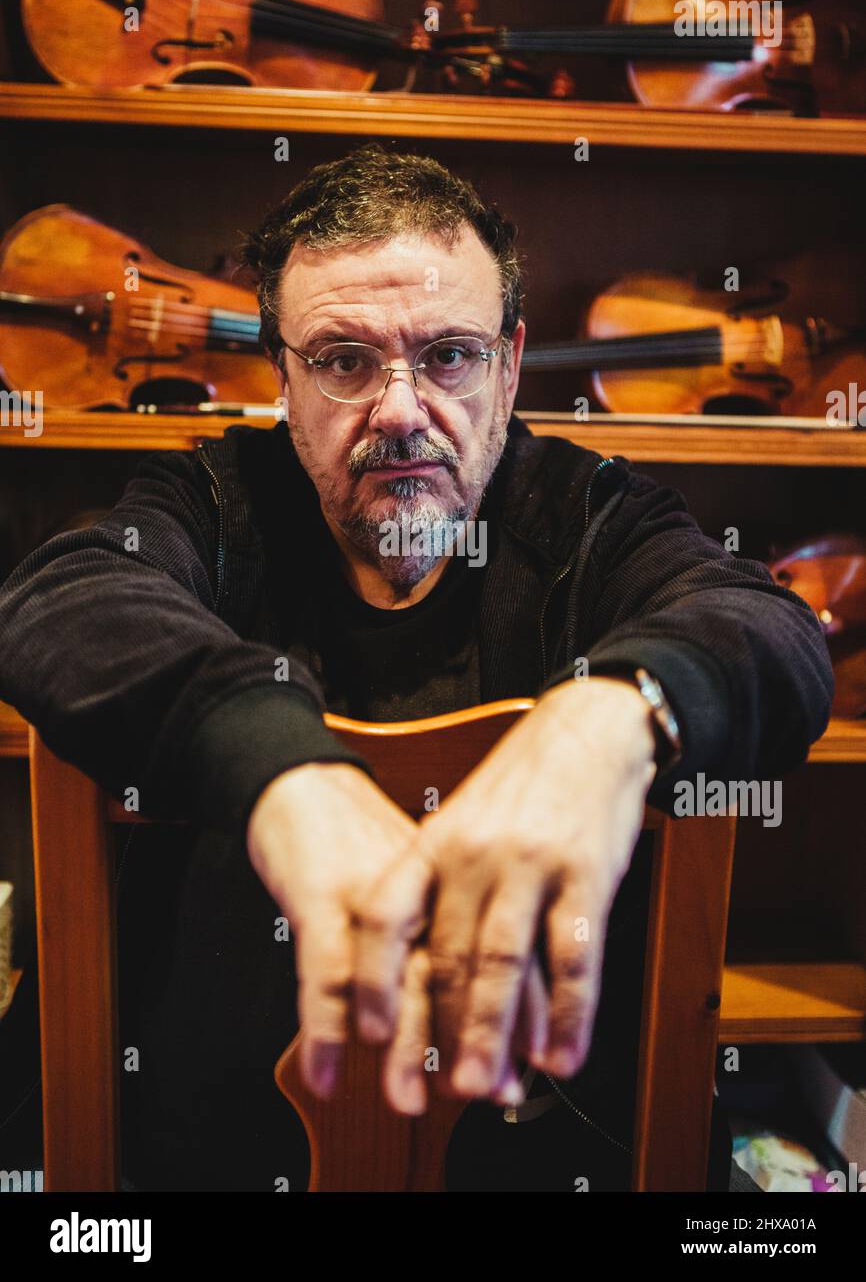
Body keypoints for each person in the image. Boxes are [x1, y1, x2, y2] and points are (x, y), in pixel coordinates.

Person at [0, 144, 832, 1192]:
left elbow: (767, 628)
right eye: (344, 359)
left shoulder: (585, 514)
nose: (399, 409)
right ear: (282, 378)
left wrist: (603, 719)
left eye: (447, 355)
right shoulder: (218, 502)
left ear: (510, 365)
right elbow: (60, 600)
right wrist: (286, 775)